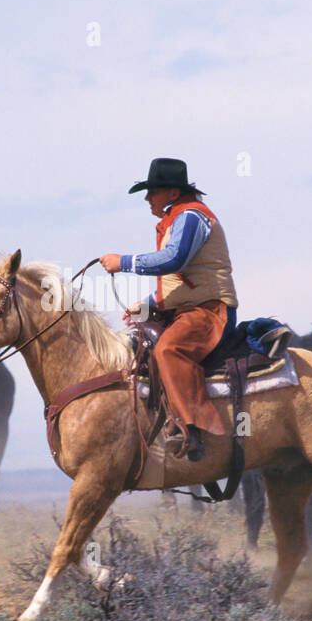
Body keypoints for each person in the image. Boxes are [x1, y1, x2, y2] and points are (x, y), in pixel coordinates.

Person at [99, 158, 239, 461]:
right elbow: (180, 280)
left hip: (210, 312)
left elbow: (174, 260)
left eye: (153, 191)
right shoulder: (178, 217)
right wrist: (149, 305)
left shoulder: (191, 216)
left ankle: (190, 428)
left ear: (172, 193)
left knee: (168, 350)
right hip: (190, 310)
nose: (148, 198)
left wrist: (123, 262)